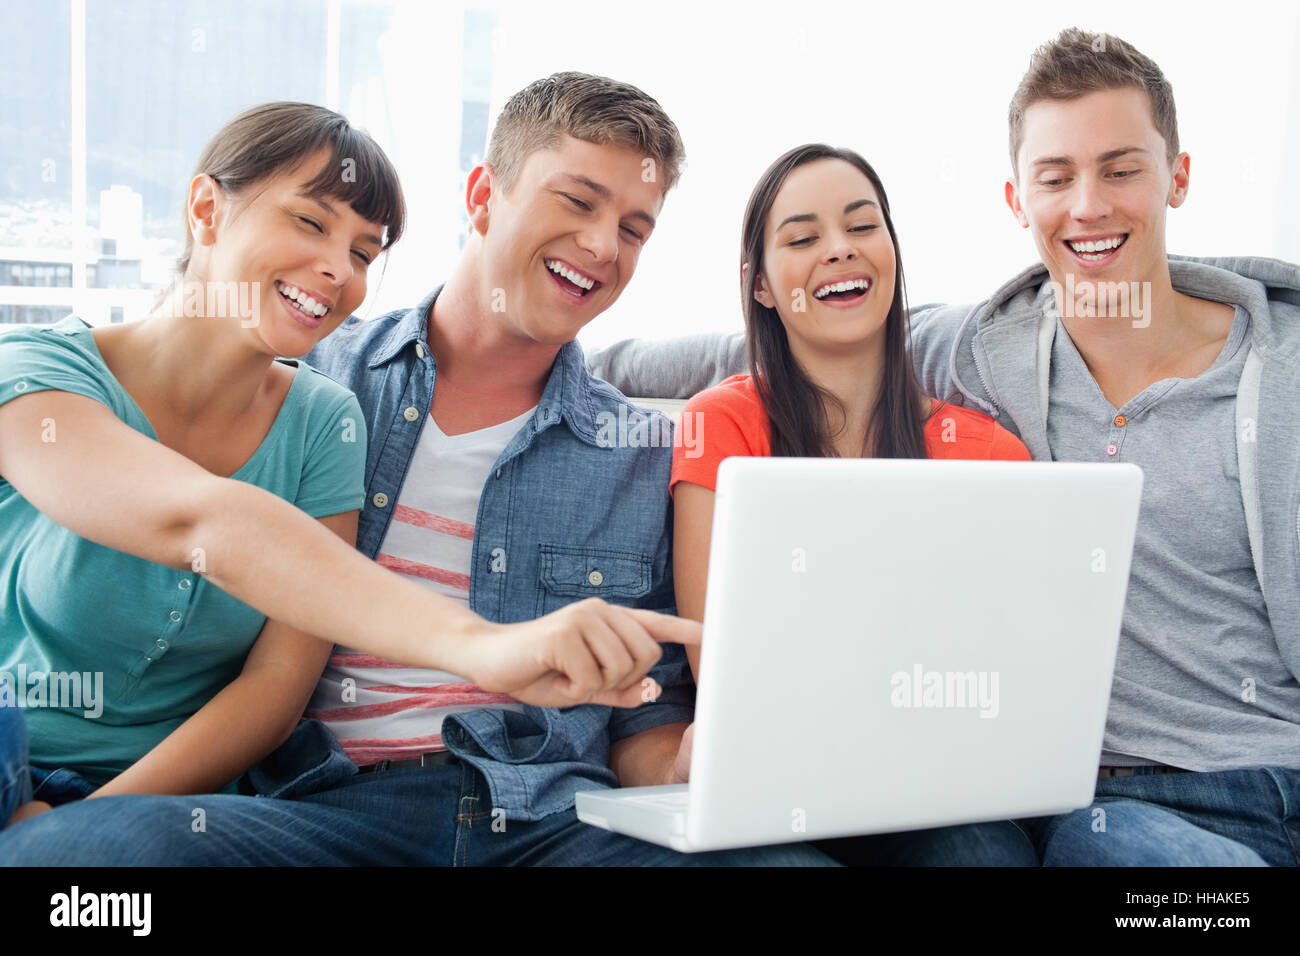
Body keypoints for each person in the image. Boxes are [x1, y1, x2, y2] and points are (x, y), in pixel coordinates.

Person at [0, 74, 835, 866]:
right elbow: (213, 530)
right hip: (326, 810)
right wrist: (487, 647)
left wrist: (696, 765)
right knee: (96, 861)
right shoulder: (320, 373)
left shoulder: (638, 453)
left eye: (634, 228)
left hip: (548, 818)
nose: (601, 244)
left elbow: (649, 716)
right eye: (577, 201)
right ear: (482, 197)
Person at [590, 29, 1300, 867]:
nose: (1088, 206)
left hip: (1264, 766)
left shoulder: (1271, 374)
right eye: (1056, 177)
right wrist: (576, 361)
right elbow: (776, 341)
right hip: (1099, 802)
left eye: (1120, 169)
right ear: (1017, 198)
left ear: (1177, 176)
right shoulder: (987, 348)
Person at [668, 143, 1037, 865]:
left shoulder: (987, 451)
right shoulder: (722, 423)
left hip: (938, 787)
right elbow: (720, 662)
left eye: (863, 227)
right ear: (763, 286)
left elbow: (1006, 675)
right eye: (803, 239)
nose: (839, 250)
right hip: (775, 781)